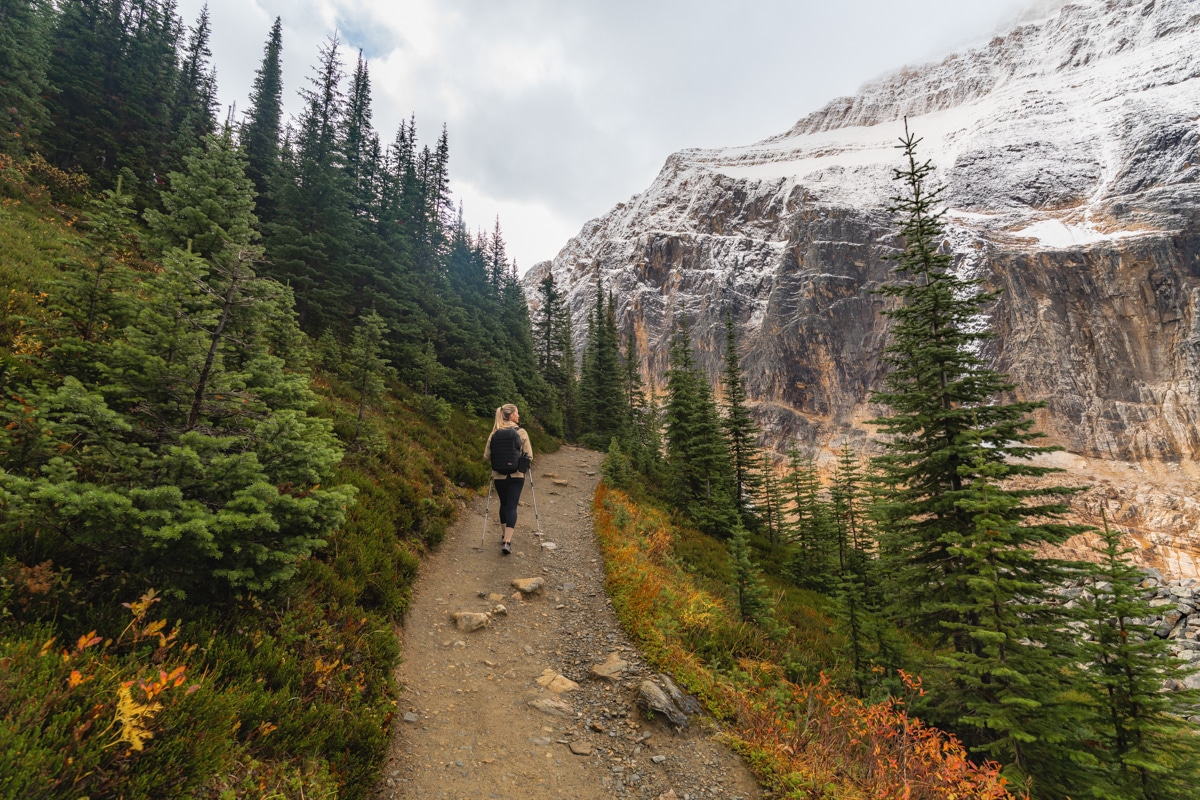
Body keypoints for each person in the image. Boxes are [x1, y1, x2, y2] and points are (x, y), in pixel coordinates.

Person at [484, 404, 533, 555]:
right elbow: (529, 455)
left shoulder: (494, 433)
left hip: (499, 475)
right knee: (512, 506)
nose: (519, 416)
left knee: (504, 504)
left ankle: (504, 535)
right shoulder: (521, 432)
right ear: (511, 415)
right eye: (517, 413)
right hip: (517, 475)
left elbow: (486, 456)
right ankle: (507, 541)